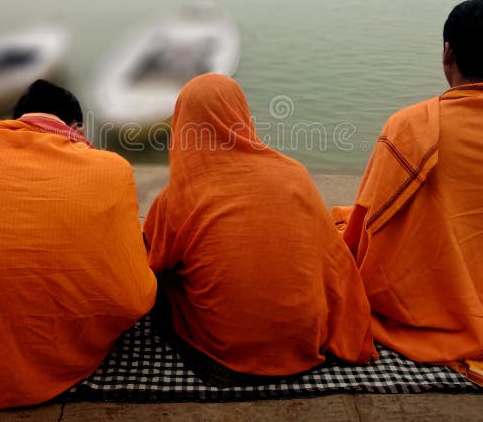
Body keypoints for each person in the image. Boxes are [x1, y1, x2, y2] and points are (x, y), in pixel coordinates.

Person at [334, 0, 483, 389]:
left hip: (411, 300)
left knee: (337, 226)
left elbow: (368, 224)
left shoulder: (409, 126)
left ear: (447, 52)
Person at [0, 79, 156, 421]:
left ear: (17, 121)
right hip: (73, 347)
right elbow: (131, 295)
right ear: (76, 127)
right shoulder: (111, 168)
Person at [143, 73, 375, 380]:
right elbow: (333, 260)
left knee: (161, 277)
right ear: (241, 114)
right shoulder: (294, 175)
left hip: (225, 355)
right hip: (305, 342)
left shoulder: (178, 196)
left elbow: (152, 261)